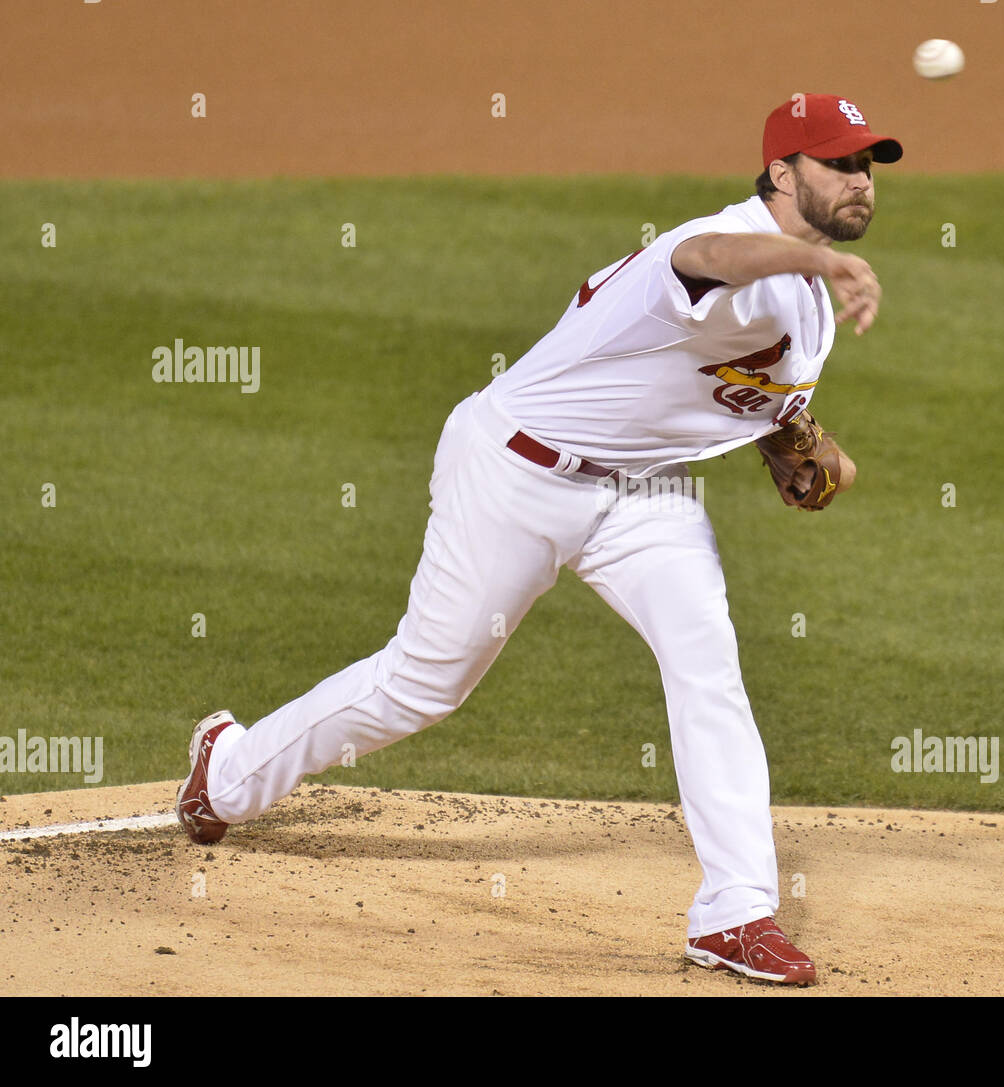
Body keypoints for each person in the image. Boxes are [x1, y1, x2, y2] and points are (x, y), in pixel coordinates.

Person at [177, 93, 902, 986]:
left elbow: (740, 386)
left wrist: (791, 448)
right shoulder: (726, 243)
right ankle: (228, 770)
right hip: (516, 472)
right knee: (422, 684)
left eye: (867, 166)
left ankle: (735, 913)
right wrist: (815, 264)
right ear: (784, 175)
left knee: (706, 660)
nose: (860, 182)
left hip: (644, 497)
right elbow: (708, 261)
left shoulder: (813, 299)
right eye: (839, 164)